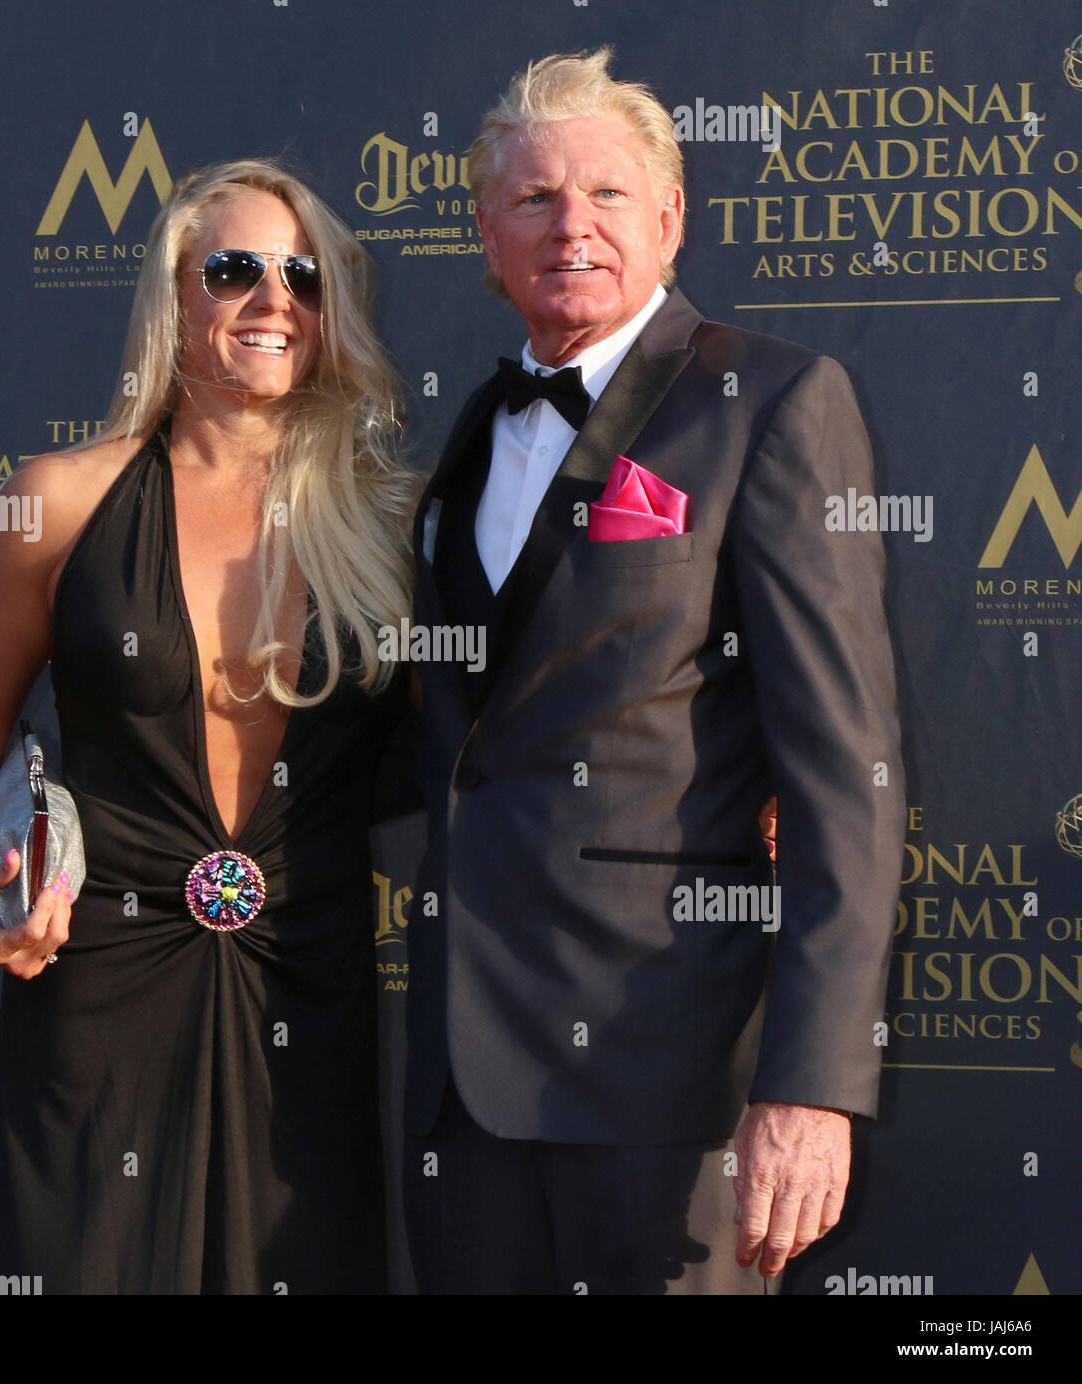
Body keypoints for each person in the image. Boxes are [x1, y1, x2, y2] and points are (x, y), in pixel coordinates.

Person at [403, 49, 905, 1294]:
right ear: (487, 237)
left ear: (670, 216)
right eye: (532, 200)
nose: (569, 225)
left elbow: (848, 772)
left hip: (669, 1079)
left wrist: (810, 1086)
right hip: (465, 1088)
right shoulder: (471, 429)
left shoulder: (773, 401)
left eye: (606, 194)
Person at [0, 159, 417, 1294]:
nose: (272, 298)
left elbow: (506, 725)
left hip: (306, 981)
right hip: (96, 985)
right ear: (172, 296)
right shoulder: (57, 502)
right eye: (234, 269)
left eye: (304, 276)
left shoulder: (392, 526)